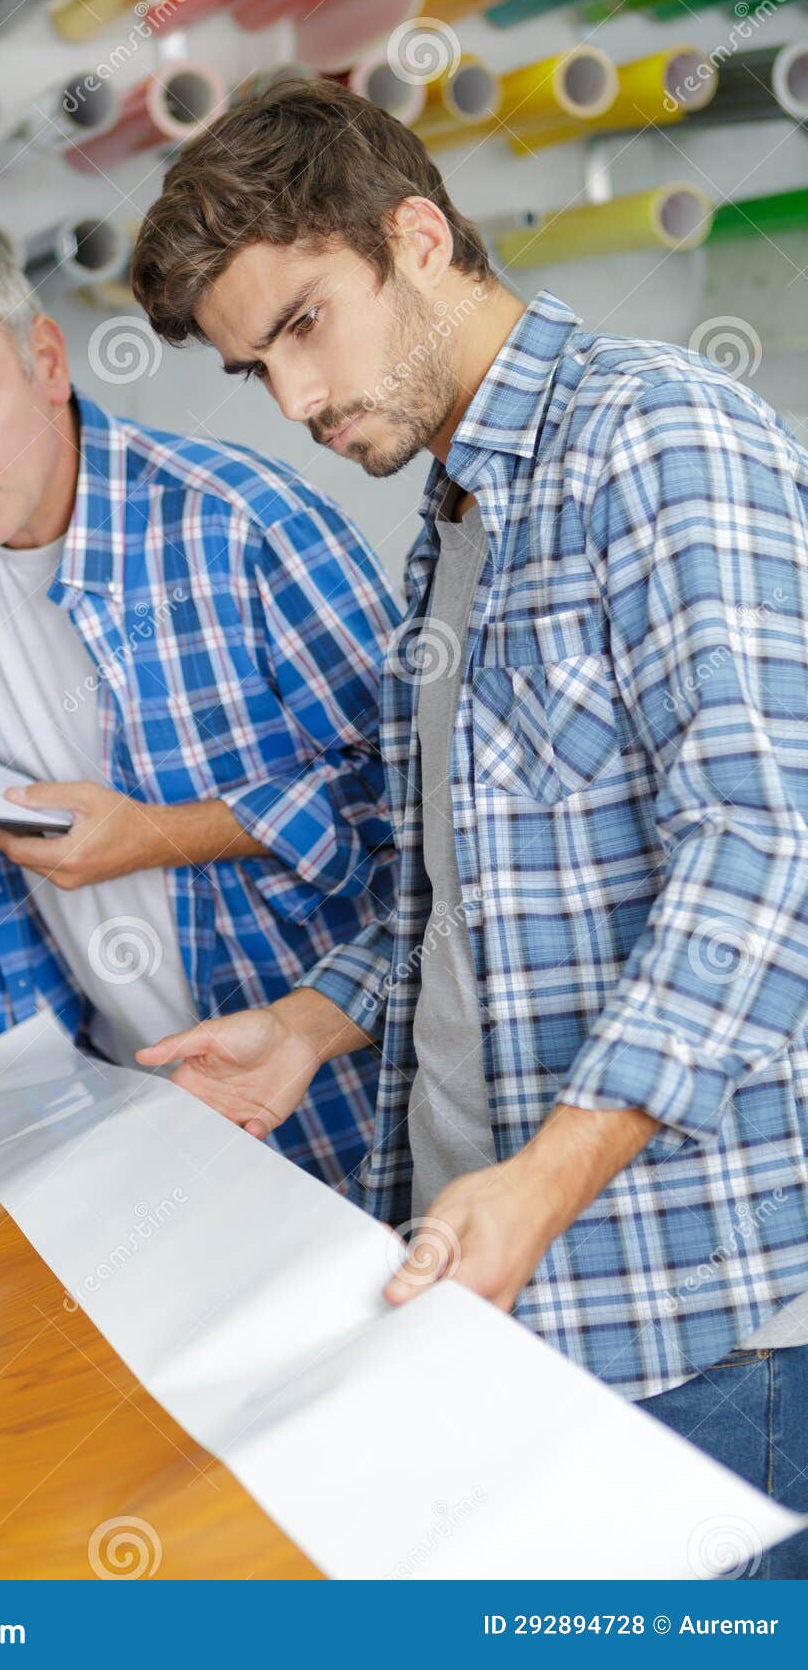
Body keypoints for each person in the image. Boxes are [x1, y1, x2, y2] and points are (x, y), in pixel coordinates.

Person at [130, 77, 808, 1573]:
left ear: (418, 235)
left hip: (695, 1324)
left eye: (302, 324)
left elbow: (768, 850)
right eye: (256, 370)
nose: (297, 403)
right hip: (500, 1288)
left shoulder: (657, 439)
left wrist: (549, 1176)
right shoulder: (451, 520)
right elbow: (459, 892)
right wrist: (312, 1021)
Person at [0, 228, 401, 1192]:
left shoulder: (238, 524)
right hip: (118, 1094)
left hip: (335, 1106)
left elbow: (414, 804)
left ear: (49, 364)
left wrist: (156, 835)